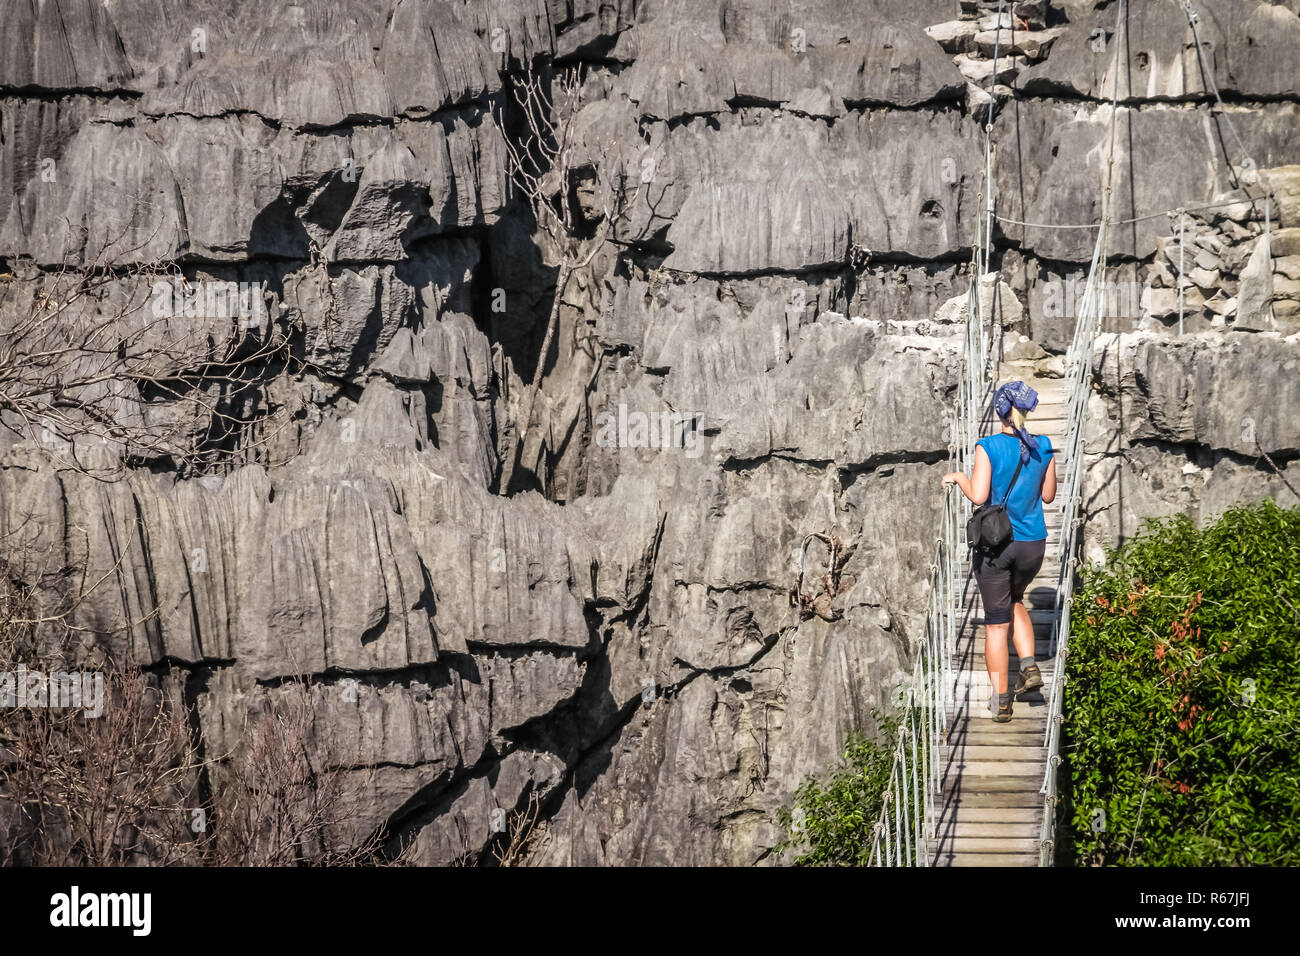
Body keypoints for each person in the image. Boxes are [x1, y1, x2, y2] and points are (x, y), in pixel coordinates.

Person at [942, 381, 1057, 722]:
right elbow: (1049, 496)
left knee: (995, 625)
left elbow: (978, 496)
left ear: (999, 411)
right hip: (1033, 546)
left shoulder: (987, 445)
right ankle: (1029, 665)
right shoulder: (1045, 446)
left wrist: (958, 477)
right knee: (1015, 599)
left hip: (998, 547)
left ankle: (1001, 701)